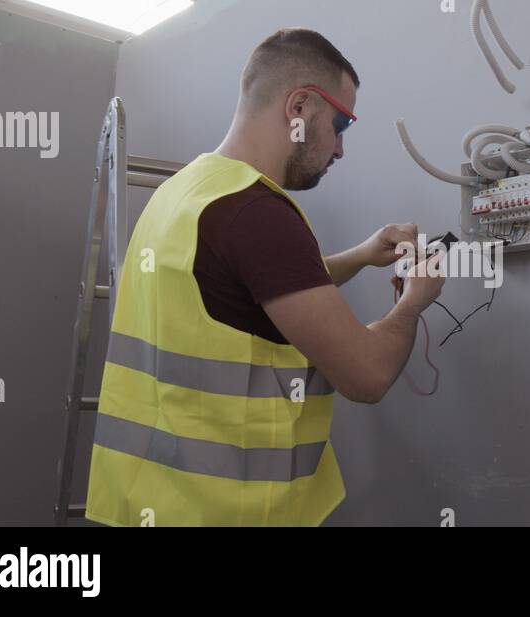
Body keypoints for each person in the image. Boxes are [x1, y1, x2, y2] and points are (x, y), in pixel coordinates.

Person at [85, 28, 445, 526]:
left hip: (143, 500)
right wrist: (413, 302)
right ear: (299, 106)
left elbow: (254, 292)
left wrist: (361, 256)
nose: (340, 149)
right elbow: (367, 374)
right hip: (228, 512)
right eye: (341, 124)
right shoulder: (257, 214)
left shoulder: (186, 191)